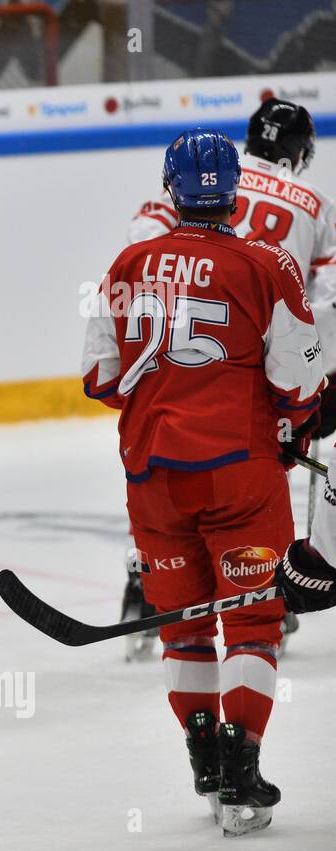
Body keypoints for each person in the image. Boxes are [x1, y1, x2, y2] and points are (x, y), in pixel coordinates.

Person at [82, 129, 324, 836]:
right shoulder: (266, 263)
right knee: (252, 620)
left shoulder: (128, 261)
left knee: (184, 628)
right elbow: (301, 380)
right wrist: (294, 420)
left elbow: (100, 378)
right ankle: (241, 771)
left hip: (151, 473)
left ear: (171, 187)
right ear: (234, 190)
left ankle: (202, 755)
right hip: (240, 472)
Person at [120, 99, 336, 659]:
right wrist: (315, 380)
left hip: (186, 353)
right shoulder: (315, 203)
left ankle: (146, 588)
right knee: (263, 478)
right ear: (298, 150)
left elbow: (139, 238)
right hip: (270, 354)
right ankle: (275, 593)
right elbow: (329, 305)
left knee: (164, 467)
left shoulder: (202, 174)